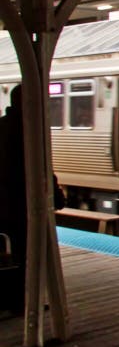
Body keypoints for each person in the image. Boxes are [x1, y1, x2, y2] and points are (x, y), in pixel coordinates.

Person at [0, 85, 64, 316]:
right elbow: (43, 168)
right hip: (23, 205)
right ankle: (24, 301)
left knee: (13, 253)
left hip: (5, 205)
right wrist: (55, 195)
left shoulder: (3, 126)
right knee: (29, 254)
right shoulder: (29, 131)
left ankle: (14, 300)